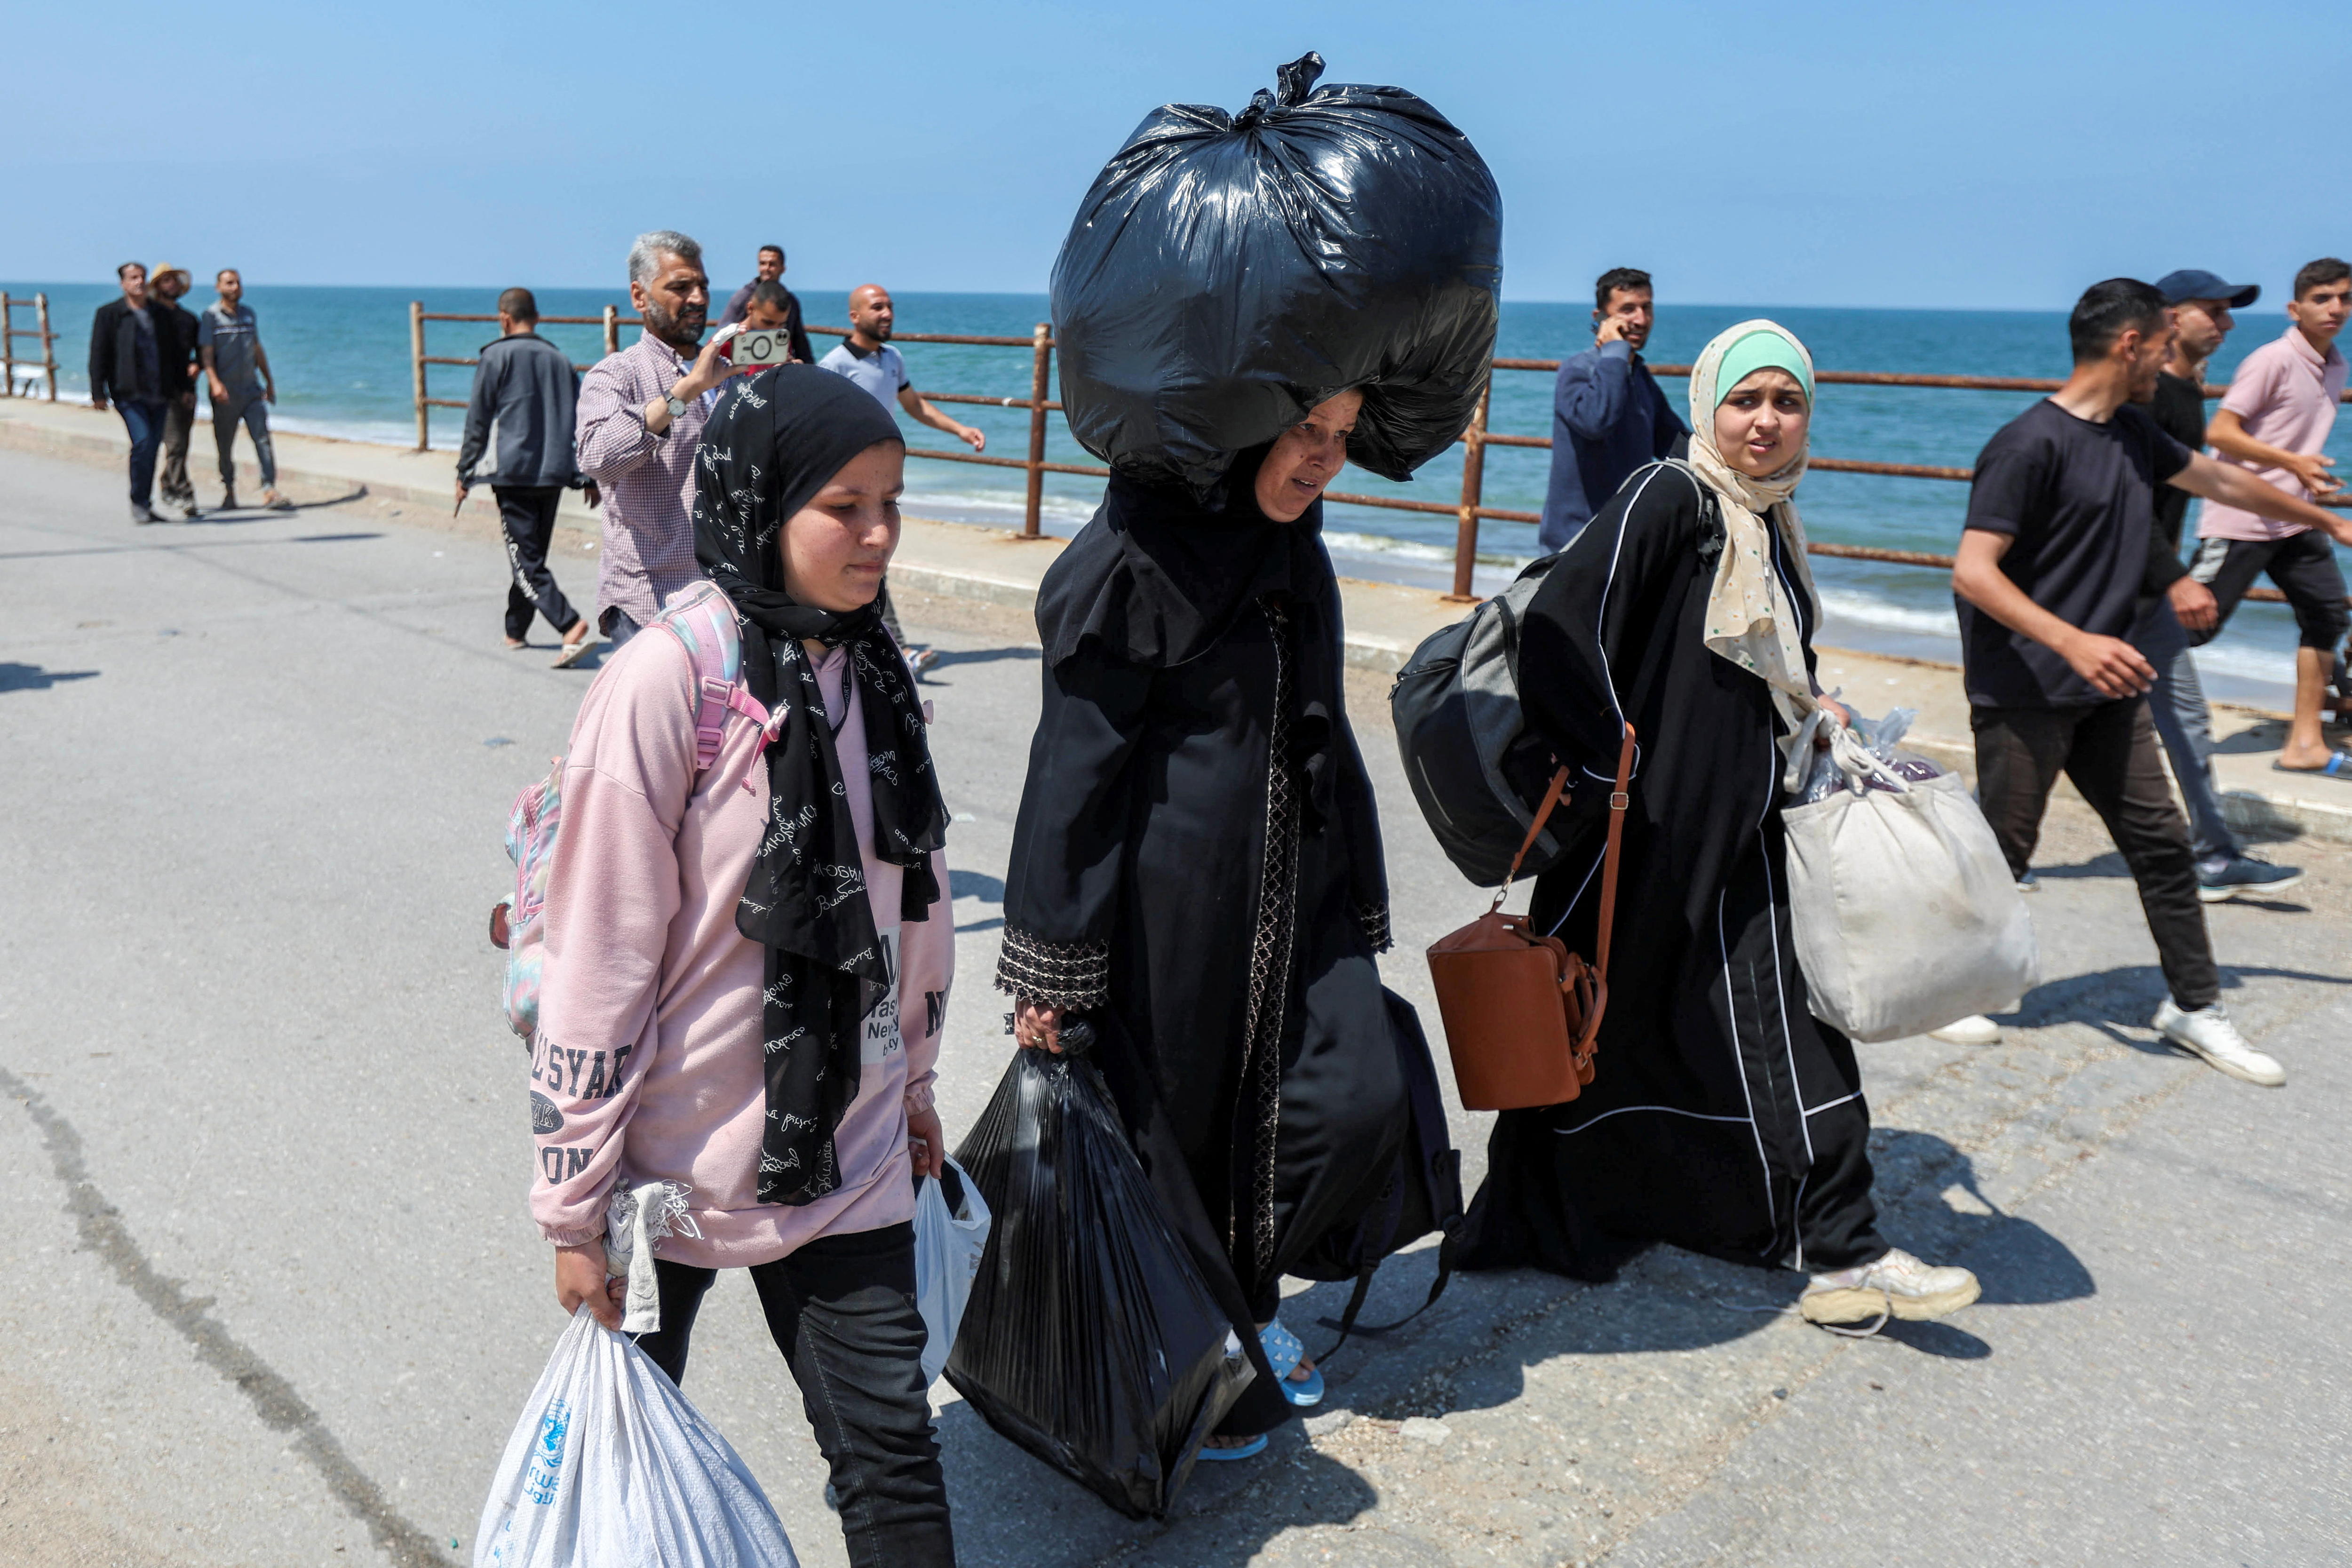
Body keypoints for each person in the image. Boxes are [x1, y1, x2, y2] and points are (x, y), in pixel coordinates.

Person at [1458, 320, 1980, 1327]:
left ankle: (1841, 1246)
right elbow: (1566, 626)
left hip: (1739, 839)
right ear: (1707, 407)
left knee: (1787, 1020)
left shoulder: (1769, 524)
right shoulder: (1671, 497)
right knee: (1588, 1028)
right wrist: (1614, 764)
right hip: (1632, 837)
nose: (1765, 420)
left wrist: (1813, 703)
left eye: (1786, 402)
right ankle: (1549, 1214)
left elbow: (1763, 663)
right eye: (1746, 399)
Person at [534, 365, 955, 1567]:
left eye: (892, 502)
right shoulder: (665, 681)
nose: (877, 534)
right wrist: (574, 1207)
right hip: (667, 1167)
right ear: (761, 504)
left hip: (847, 1142)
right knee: (625, 1477)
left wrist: (916, 1085)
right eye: (844, 506)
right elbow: (599, 955)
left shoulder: (878, 667)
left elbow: (910, 908)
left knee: (888, 1450)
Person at [999, 390, 1431, 1457]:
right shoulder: (1134, 559)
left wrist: (1356, 880)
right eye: (1306, 432)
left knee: (1347, 1093)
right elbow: (1072, 772)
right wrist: (1052, 962)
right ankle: (1215, 1336)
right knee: (1184, 1129)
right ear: (1238, 428)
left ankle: (1245, 1307)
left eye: (1343, 439)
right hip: (1167, 912)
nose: (1326, 460)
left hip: (1293, 896)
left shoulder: (1294, 550)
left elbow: (1324, 726)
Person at [1953, 278, 2351, 1089]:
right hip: (2025, 686)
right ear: (2131, 344)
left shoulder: (2134, 433)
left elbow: (2224, 483)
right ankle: (1951, 988)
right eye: (2162, 344)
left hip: (2110, 686)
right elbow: (1973, 571)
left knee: (2163, 846)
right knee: (2003, 851)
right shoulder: (2027, 443)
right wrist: (2074, 640)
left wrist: (2324, 519)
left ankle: (2194, 1006)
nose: (2172, 359)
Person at [2140, 271, 2302, 900]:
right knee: (2048, 730)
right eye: (2215, 312)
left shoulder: (2182, 389)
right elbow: (2128, 503)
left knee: (2184, 721)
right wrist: (2176, 576)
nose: (2228, 324)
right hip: (2110, 592)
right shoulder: (2150, 396)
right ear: (2172, 319)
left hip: (2142, 591)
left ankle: (2214, 855)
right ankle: (1999, 854)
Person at [2187, 257, 2352, 780]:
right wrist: (2293, 463)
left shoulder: (2335, 365)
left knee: (2326, 614)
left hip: (2294, 519)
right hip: (2241, 516)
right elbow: (2220, 434)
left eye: (2344, 299)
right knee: (2192, 627)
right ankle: (2094, 704)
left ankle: (2303, 743)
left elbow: (2291, 436)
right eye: (2321, 298)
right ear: (2294, 308)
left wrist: (2305, 475)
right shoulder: (2271, 360)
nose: (2335, 309)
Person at [574, 230, 754, 649]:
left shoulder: (726, 374)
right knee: (659, 716)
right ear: (639, 296)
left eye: (703, 286)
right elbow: (597, 457)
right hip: (650, 598)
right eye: (680, 287)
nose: (698, 298)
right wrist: (686, 391)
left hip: (725, 594)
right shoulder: (617, 374)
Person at [819, 285, 987, 672]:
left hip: (883, 482)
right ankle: (896, 648)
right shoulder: (836, 365)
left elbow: (915, 405)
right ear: (855, 316)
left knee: (870, 561)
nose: (887, 313)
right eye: (877, 306)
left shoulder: (892, 358)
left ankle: (870, 646)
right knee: (870, 561)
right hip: (850, 485)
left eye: (890, 306)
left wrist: (960, 430)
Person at [457, 287, 596, 667]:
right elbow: (582, 423)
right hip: (553, 472)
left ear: (504, 318)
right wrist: (587, 476)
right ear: (535, 317)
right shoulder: (560, 360)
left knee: (525, 559)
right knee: (530, 554)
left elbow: (479, 420)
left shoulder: (495, 356)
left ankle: (569, 623)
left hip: (514, 472)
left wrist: (464, 471)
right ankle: (515, 629)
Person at [1536, 267, 1689, 552]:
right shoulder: (1577, 371)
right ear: (1601, 318)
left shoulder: (1639, 376)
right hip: (1574, 543)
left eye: (1647, 308)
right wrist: (1615, 352)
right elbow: (1597, 421)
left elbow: (1677, 444)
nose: (1641, 319)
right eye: (1628, 310)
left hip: (1626, 537)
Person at [199, 269, 291, 512]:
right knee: (225, 444)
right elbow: (206, 354)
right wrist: (215, 383)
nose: (235, 287)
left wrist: (269, 381)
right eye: (229, 283)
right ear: (218, 287)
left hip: (251, 390)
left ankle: (269, 489)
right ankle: (229, 489)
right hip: (225, 394)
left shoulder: (249, 314)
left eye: (238, 283)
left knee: (263, 439)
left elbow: (257, 349)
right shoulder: (211, 317)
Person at [88, 262, 169, 524]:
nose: (139, 282)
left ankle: (145, 503)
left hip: (160, 393)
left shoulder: (160, 313)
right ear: (123, 284)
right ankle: (138, 502)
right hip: (128, 394)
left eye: (143, 277)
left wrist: (183, 387)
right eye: (133, 278)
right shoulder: (110, 314)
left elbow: (174, 355)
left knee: (153, 448)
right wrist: (97, 392)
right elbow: (99, 353)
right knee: (143, 442)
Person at [147, 264, 204, 520]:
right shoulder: (150, 317)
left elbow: (201, 352)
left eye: (174, 281)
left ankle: (168, 484)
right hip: (160, 391)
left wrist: (198, 366)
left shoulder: (189, 319)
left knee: (180, 444)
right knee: (176, 443)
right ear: (158, 286)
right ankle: (184, 493)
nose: (171, 285)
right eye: (166, 281)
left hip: (186, 389)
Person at [716, 242, 815, 366]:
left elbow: (800, 342)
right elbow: (722, 334)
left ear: (783, 268)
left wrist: (809, 371)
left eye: (772, 264)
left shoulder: (790, 301)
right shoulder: (742, 298)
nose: (766, 268)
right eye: (762, 264)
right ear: (750, 308)